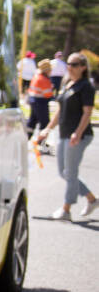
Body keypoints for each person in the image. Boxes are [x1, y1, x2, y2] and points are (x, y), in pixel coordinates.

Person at [32, 53, 96, 220]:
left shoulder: (86, 86)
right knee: (64, 172)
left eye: (74, 64)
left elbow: (87, 113)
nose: (70, 67)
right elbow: (60, 110)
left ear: (83, 67)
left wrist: (78, 132)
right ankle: (92, 199)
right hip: (64, 133)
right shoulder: (67, 83)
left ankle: (66, 210)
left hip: (79, 136)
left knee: (71, 172)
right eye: (68, 64)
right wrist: (47, 129)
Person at [25, 58, 55, 148]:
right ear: (47, 70)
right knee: (45, 123)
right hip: (41, 102)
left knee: (32, 122)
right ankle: (42, 142)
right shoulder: (44, 80)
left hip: (34, 100)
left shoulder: (37, 76)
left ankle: (26, 139)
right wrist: (52, 90)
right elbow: (48, 94)